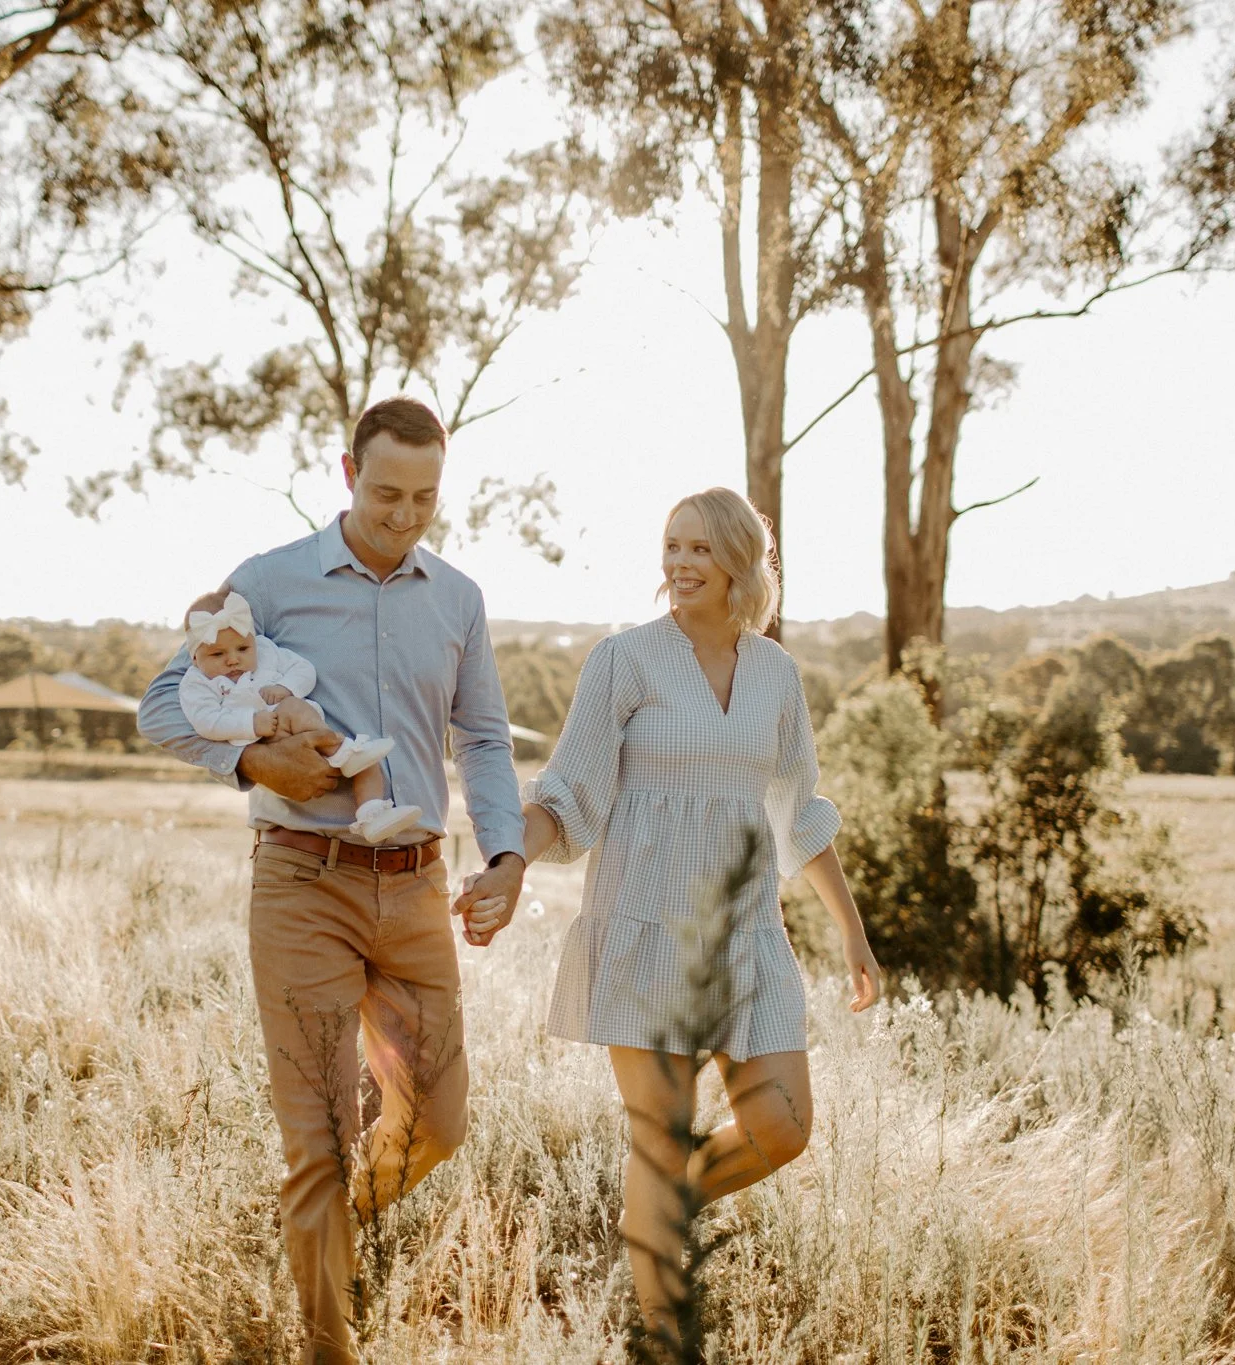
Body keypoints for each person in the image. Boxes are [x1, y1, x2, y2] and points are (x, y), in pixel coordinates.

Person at [138, 396, 526, 1365]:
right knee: (316, 1137)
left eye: (425, 498)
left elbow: (479, 736)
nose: (403, 516)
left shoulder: (458, 599)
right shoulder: (267, 584)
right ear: (348, 476)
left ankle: (325, 1225)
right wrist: (249, 765)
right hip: (302, 884)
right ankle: (325, 1340)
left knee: (438, 1121)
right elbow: (160, 704)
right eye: (386, 493)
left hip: (417, 888)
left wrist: (506, 858)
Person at [459, 487, 883, 1345]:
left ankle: (654, 1212)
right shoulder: (626, 660)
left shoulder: (776, 673)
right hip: (645, 924)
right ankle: (661, 1326)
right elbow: (570, 793)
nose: (680, 564)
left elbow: (799, 811)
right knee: (658, 1135)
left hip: (748, 932)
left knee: (784, 1126)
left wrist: (853, 932)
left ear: (740, 563)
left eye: (700, 549)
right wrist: (511, 862)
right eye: (672, 546)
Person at [178, 587, 421, 843]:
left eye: (242, 649)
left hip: (308, 731)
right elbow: (206, 721)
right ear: (195, 658)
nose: (233, 660)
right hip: (269, 748)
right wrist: (251, 724)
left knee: (367, 763)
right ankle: (342, 752)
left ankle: (371, 814)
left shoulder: (266, 651)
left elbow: (304, 669)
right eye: (218, 654)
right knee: (298, 711)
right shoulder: (196, 683)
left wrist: (286, 688)